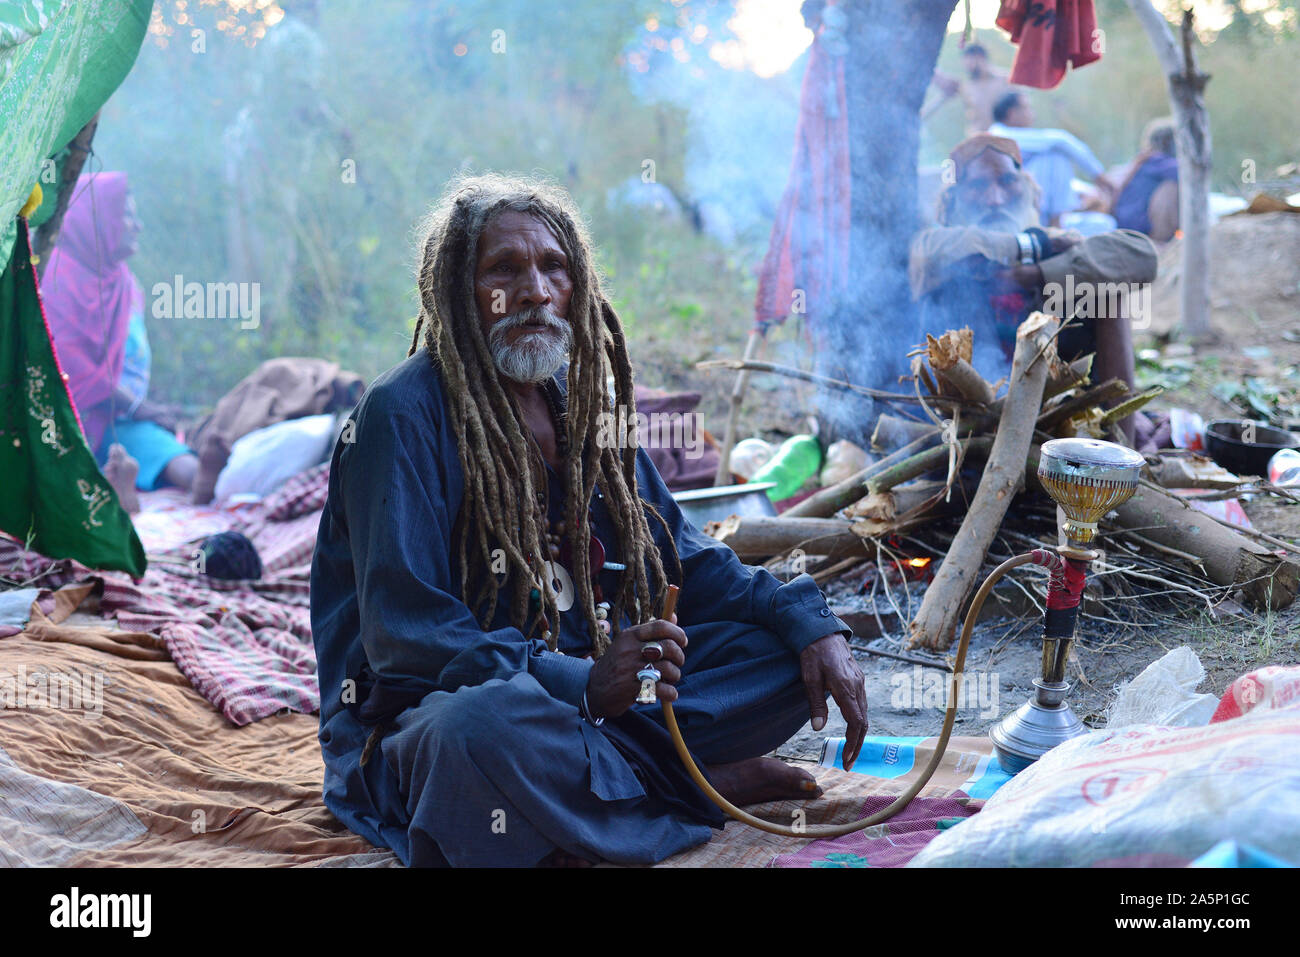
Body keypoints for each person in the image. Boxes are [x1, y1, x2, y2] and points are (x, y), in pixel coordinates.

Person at [310, 174, 869, 867]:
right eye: (504, 270)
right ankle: (688, 785)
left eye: (554, 267)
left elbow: (679, 554)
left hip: (594, 698)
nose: (535, 291)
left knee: (784, 653)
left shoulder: (581, 399)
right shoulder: (400, 415)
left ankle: (608, 784)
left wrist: (803, 616)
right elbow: (407, 637)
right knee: (477, 730)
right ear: (460, 290)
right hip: (434, 713)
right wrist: (581, 682)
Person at [909, 135, 1158, 438]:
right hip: (972, 425)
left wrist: (1036, 273)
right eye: (977, 186)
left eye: (1007, 181)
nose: (995, 199)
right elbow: (928, 249)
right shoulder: (949, 245)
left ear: (1026, 188)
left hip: (1056, 416)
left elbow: (1141, 255)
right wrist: (1027, 245)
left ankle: (1120, 454)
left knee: (1107, 290)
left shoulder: (1054, 243)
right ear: (955, 199)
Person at [39, 172, 197, 513]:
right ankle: (116, 496)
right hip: (66, 423)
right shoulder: (56, 278)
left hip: (121, 420)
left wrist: (143, 411)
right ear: (94, 219)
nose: (136, 226)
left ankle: (144, 489)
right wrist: (142, 408)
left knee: (188, 469)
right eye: (126, 215)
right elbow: (67, 366)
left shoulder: (123, 281)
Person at [988, 91, 1112, 227]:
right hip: (1016, 216)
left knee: (1106, 225)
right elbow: (1061, 140)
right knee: (1055, 156)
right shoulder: (999, 135)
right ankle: (1055, 223)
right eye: (1027, 108)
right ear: (1012, 113)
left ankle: (1057, 222)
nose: (1032, 114)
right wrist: (1099, 175)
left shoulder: (1022, 143)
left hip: (1035, 210)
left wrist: (1086, 191)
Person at [1111, 118, 1179, 243]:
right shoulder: (1163, 163)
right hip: (1141, 225)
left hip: (1123, 222)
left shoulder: (1143, 161)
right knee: (1173, 187)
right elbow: (1186, 175)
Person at [925, 44, 1012, 136]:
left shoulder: (1005, 80)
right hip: (977, 139)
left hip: (1004, 138)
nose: (968, 66)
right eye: (966, 63)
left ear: (981, 58)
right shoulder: (965, 87)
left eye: (971, 62)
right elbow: (937, 103)